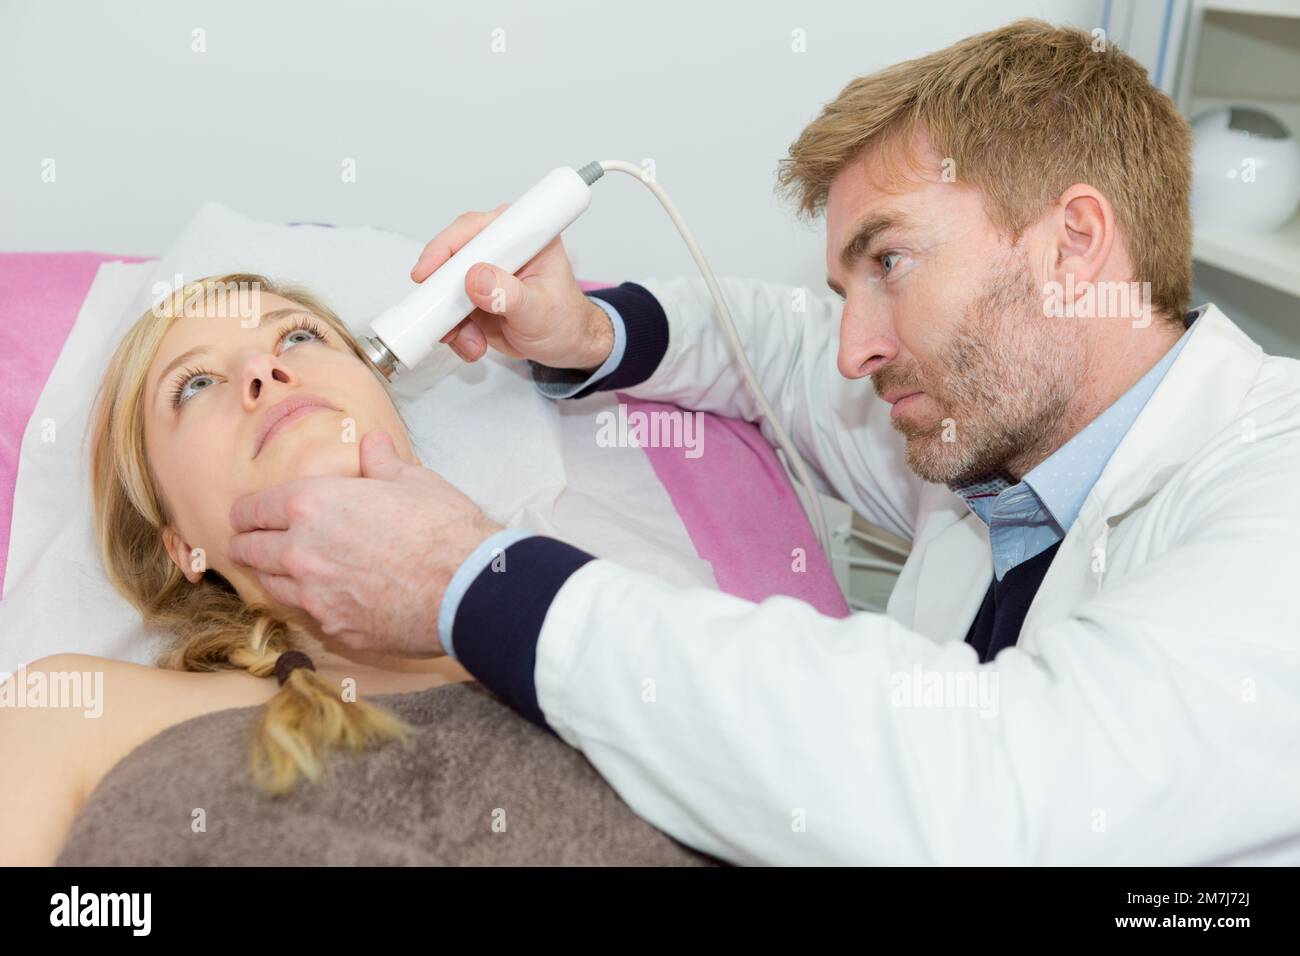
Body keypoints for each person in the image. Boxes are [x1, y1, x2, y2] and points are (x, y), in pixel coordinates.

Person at [225, 19, 1300, 865]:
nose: (852, 351)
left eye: (889, 263)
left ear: (1074, 243)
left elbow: (1012, 800)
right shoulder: (995, 445)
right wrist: (590, 330)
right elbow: (771, 348)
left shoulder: (1271, 482)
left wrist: (471, 580)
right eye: (844, 289)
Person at [0, 274, 707, 867]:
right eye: (195, 384)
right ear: (177, 544)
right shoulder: (68, 711)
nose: (263, 371)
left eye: (299, 337)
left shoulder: (589, 641)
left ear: (391, 418)